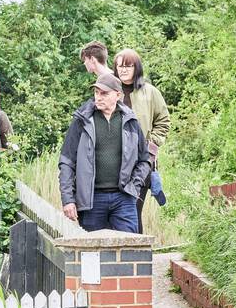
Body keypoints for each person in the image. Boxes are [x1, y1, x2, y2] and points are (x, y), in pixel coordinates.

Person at [59, 70, 151, 232]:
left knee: (128, 249)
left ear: (117, 95)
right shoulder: (82, 121)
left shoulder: (130, 121)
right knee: (93, 253)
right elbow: (66, 162)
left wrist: (134, 186)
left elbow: (144, 159)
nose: (98, 97)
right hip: (92, 200)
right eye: (96, 92)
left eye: (104, 93)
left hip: (124, 198)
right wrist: (68, 200)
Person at [113, 48, 170, 230]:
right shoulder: (110, 91)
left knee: (133, 210)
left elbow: (163, 121)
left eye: (128, 66)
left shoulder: (150, 92)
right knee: (116, 211)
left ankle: (138, 255)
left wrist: (150, 145)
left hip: (142, 162)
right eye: (119, 66)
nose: (123, 70)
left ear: (136, 68)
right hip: (114, 162)